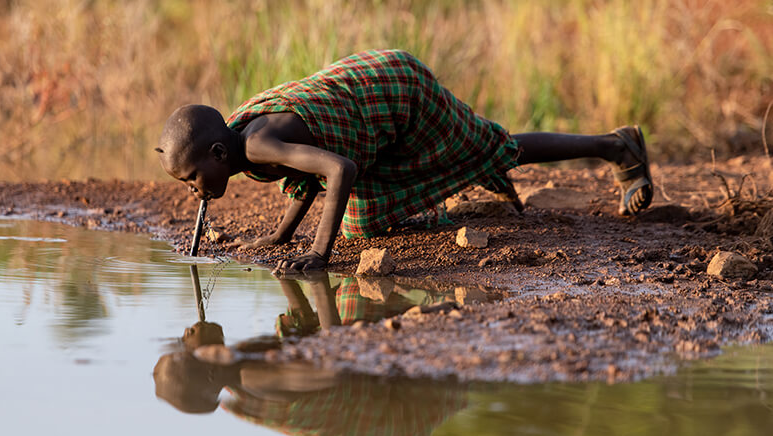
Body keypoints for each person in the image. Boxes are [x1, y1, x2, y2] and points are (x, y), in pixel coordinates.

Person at [155, 49, 652, 272]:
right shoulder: (243, 139)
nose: (195, 190)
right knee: (364, 223)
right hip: (363, 92)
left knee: (494, 146)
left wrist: (318, 254)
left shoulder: (258, 143)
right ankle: (479, 168)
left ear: (220, 153)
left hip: (395, 89)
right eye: (187, 185)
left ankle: (616, 145)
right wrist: (283, 235)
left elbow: (338, 169)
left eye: (194, 178)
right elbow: (306, 170)